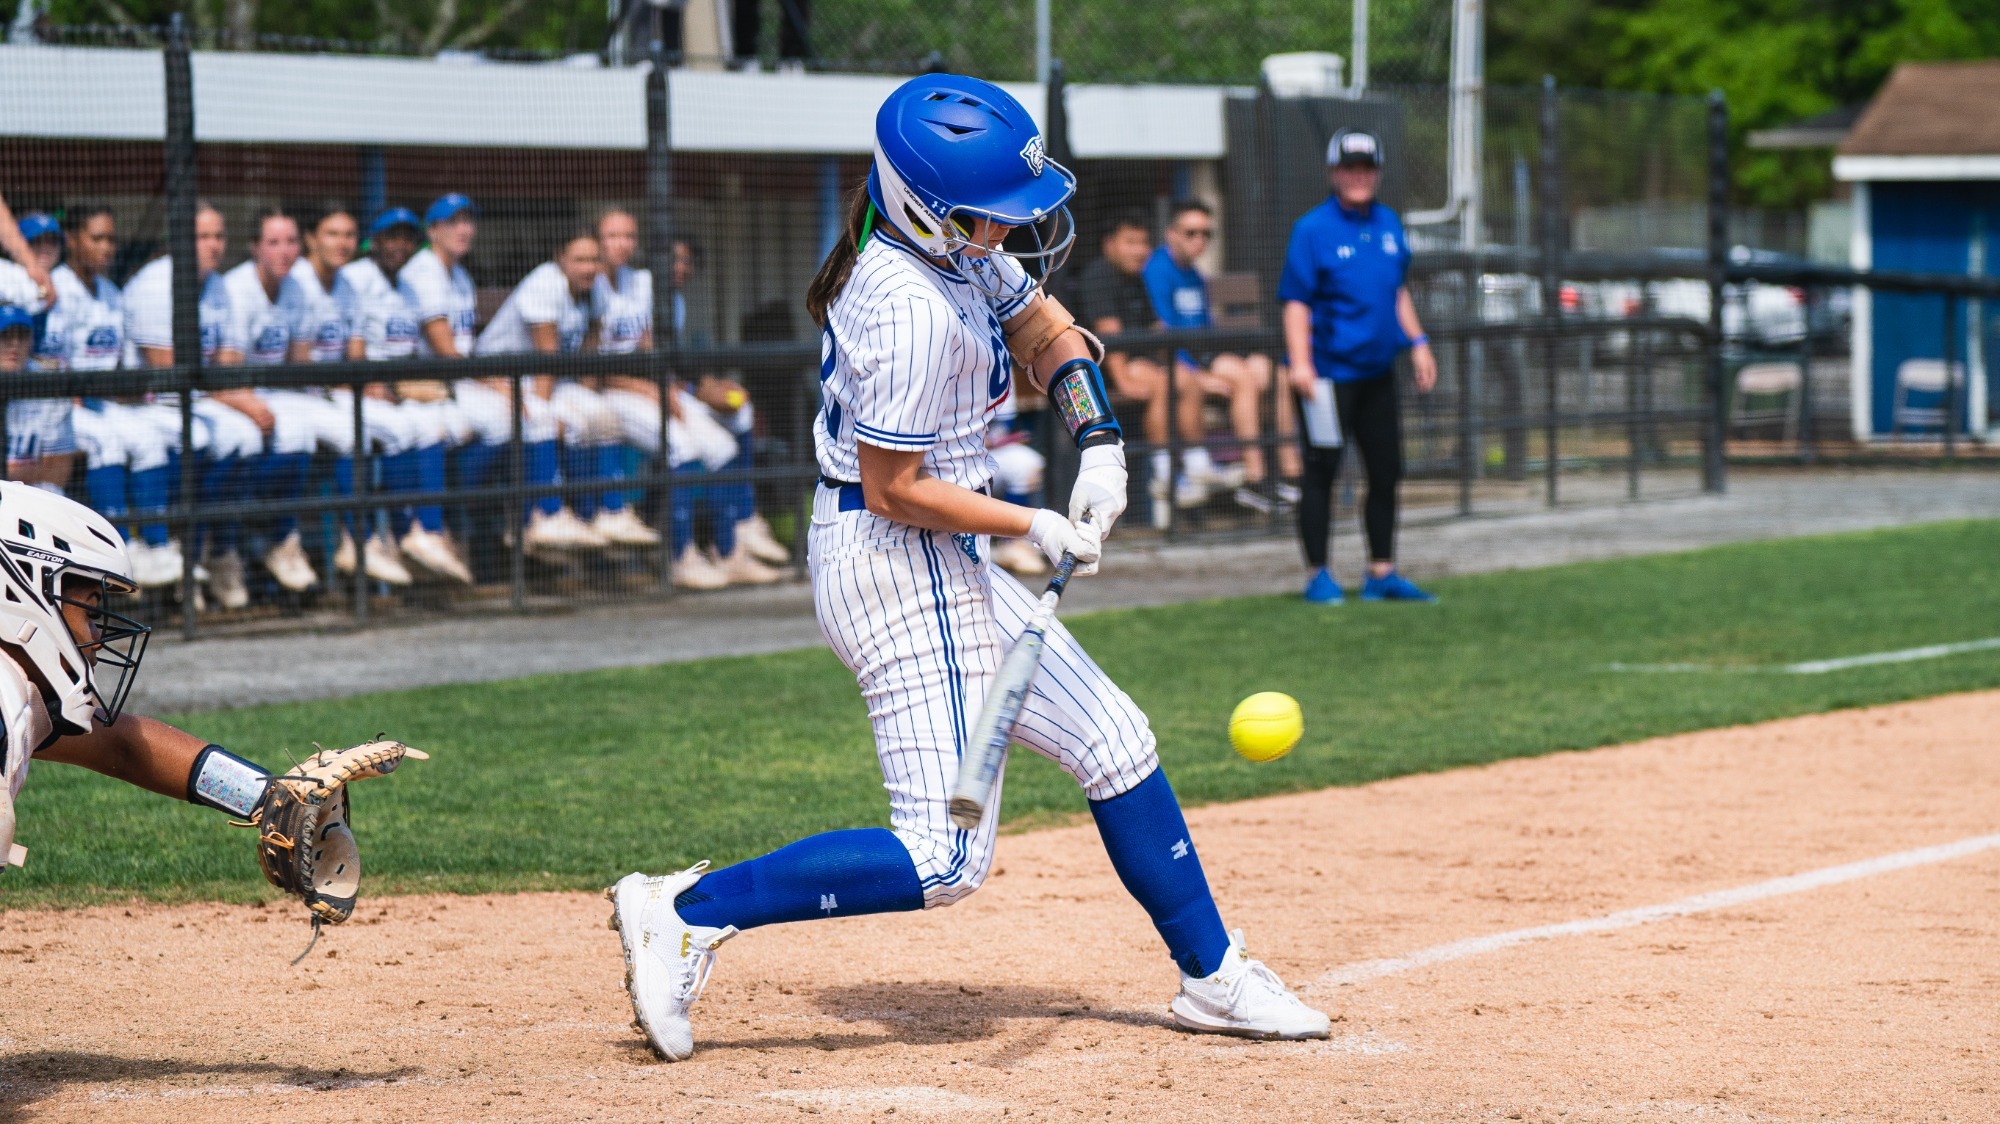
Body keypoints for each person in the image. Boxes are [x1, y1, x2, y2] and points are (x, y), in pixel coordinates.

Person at [606, 74, 1329, 1063]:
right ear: (924, 206)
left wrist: (1100, 437)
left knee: (1114, 740)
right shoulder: (901, 300)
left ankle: (1213, 975)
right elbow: (896, 483)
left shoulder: (950, 251)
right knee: (942, 854)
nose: (1004, 234)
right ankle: (684, 909)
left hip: (932, 547)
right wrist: (1032, 517)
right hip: (893, 559)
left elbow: (1046, 329)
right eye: (986, 218)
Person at [0, 481, 414, 921]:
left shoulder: (16, 699)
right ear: (20, 595)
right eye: (88, 609)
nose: (100, 635)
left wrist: (268, 799)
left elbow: (122, 743)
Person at [1278, 129, 1438, 604]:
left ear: (1378, 172)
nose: (1358, 176)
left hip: (1376, 374)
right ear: (1334, 173)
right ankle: (1318, 575)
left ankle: (1381, 571)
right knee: (1321, 472)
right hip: (1327, 376)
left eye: (1366, 168)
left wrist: (1419, 342)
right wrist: (1301, 364)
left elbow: (1396, 291)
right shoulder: (1313, 229)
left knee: (1387, 470)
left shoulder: (1389, 223)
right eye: (1349, 168)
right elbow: (1295, 302)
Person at [592, 215, 787, 588]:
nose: (678, 268)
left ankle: (731, 547)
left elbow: (652, 351)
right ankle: (679, 556)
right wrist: (659, 390)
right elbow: (599, 366)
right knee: (681, 446)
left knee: (723, 443)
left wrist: (696, 388)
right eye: (612, 236)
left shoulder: (646, 286)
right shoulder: (599, 286)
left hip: (653, 390)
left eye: (628, 236)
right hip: (613, 394)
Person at [295, 206, 472, 586]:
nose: (400, 245)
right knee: (378, 430)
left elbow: (356, 352)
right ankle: (371, 538)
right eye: (391, 237)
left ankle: (417, 532)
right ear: (373, 241)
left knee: (424, 427)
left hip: (355, 386)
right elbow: (304, 361)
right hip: (311, 392)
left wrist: (381, 385)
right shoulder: (351, 277)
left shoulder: (377, 283)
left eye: (407, 238)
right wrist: (367, 385)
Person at [122, 201, 262, 609]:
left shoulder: (217, 285)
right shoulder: (154, 282)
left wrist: (234, 395)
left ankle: (203, 550)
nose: (214, 245)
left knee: (247, 436)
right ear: (178, 239)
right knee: (209, 434)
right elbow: (163, 367)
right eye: (203, 236)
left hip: (198, 400)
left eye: (219, 236)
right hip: (148, 404)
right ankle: (171, 548)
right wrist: (233, 396)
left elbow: (229, 361)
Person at [471, 229, 627, 552]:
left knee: (600, 414)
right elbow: (548, 359)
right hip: (497, 376)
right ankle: (544, 515)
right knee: (543, 418)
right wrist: (542, 411)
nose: (589, 267)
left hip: (548, 378)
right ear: (560, 259)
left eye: (594, 259)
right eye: (580, 259)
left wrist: (583, 396)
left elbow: (591, 344)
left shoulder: (595, 287)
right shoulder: (546, 282)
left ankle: (605, 514)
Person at [1144, 199, 1299, 513]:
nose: (1199, 240)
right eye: (1190, 232)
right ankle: (1255, 480)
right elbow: (1162, 337)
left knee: (1274, 373)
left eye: (1205, 233)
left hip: (1207, 356)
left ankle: (1292, 475)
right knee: (1242, 376)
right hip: (1181, 365)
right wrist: (1199, 376)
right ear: (1170, 234)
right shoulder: (1157, 271)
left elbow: (1207, 330)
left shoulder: (1195, 275)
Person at [46, 208, 134, 537]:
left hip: (104, 401)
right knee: (105, 441)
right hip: (63, 405)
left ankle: (156, 543)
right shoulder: (56, 288)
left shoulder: (112, 292)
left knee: (150, 438)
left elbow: (122, 362)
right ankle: (117, 541)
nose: (107, 248)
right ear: (72, 240)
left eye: (112, 239)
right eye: (97, 238)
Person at [10, 214, 76, 490]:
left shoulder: (67, 291)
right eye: (35, 241)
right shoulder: (8, 281)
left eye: (51, 241)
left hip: (50, 395)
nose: (44, 248)